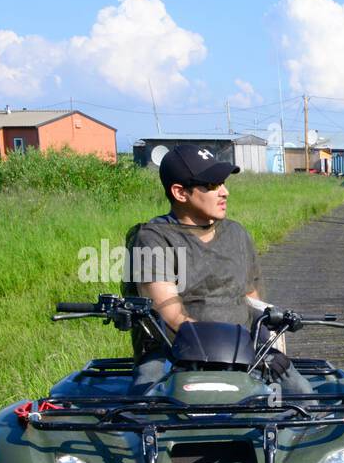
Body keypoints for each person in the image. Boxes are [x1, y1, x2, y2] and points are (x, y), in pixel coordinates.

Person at [124, 144, 312, 395]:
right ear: (180, 193)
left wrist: (268, 340)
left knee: (305, 397)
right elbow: (169, 313)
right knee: (144, 404)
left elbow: (252, 299)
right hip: (176, 353)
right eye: (212, 185)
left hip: (244, 349)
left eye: (223, 183)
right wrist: (220, 350)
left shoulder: (237, 234)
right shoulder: (153, 239)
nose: (225, 192)